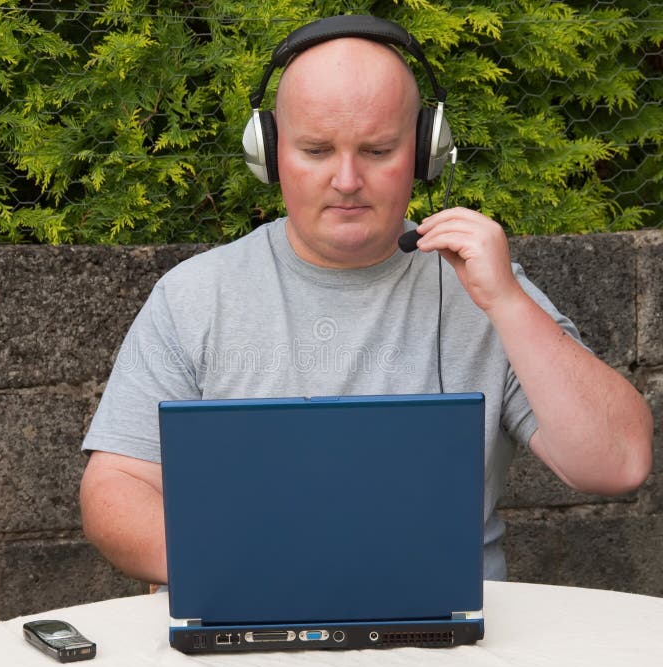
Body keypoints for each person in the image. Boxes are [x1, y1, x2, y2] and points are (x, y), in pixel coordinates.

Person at [79, 18, 653, 586]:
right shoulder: (194, 297)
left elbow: (617, 463)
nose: (347, 179)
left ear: (427, 152)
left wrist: (507, 303)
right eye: (316, 149)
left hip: (444, 652)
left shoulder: (486, 292)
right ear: (270, 153)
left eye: (378, 150)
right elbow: (115, 490)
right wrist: (254, 573)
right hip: (245, 638)